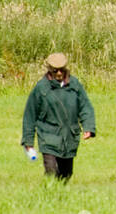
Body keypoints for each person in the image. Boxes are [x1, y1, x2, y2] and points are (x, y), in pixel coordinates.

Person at [21, 52, 96, 181]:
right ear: (49, 70)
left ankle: (60, 196)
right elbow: (30, 115)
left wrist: (88, 127)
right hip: (48, 137)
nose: (59, 74)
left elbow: (85, 107)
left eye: (62, 70)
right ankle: (48, 194)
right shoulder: (41, 88)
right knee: (51, 171)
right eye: (55, 71)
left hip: (69, 136)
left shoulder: (75, 85)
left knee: (66, 174)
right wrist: (28, 142)